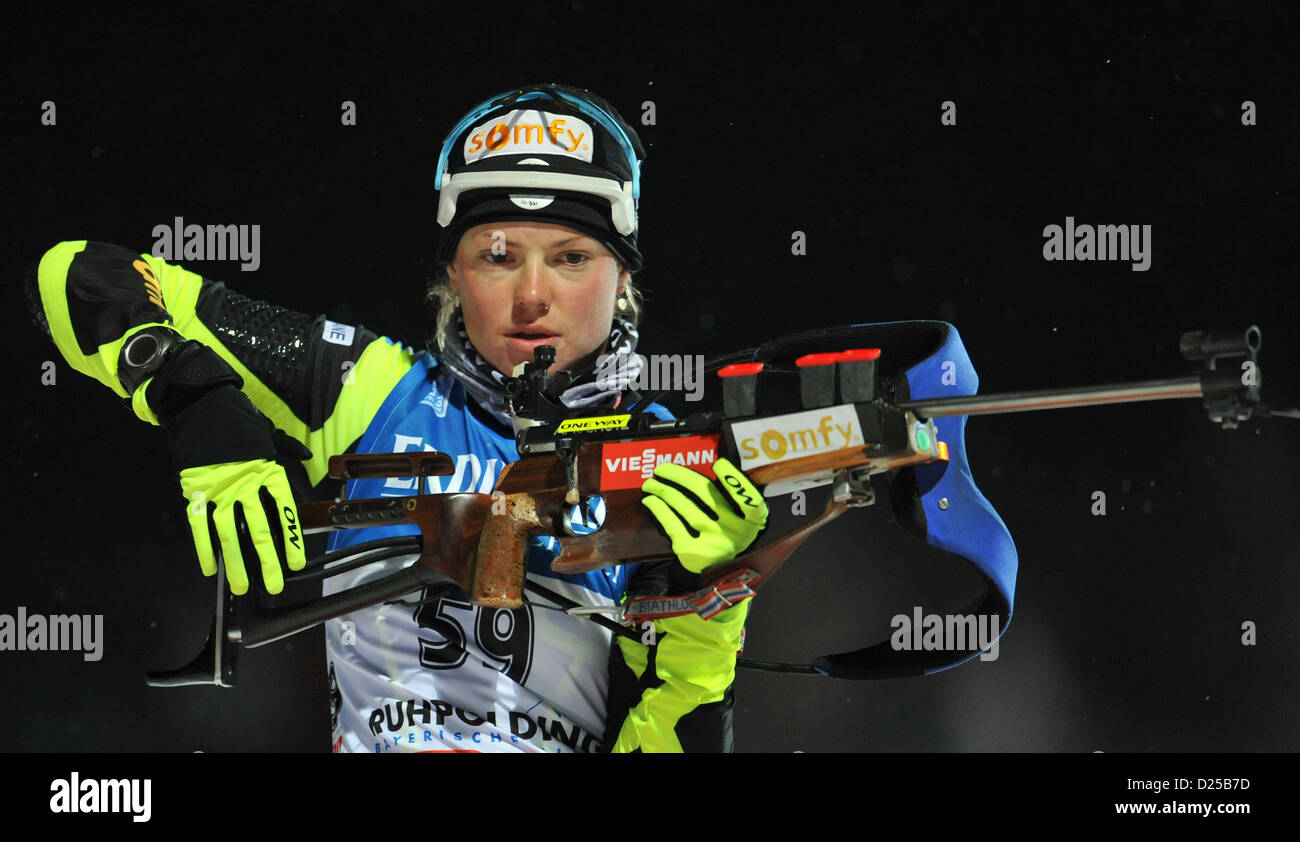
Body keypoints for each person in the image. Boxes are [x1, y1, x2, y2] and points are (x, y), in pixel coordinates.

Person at [27, 82, 769, 753]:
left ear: (624, 274)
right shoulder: (372, 389)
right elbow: (75, 272)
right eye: (498, 255)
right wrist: (200, 403)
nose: (533, 296)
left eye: (572, 258)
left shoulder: (671, 456)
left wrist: (709, 615)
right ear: (453, 272)